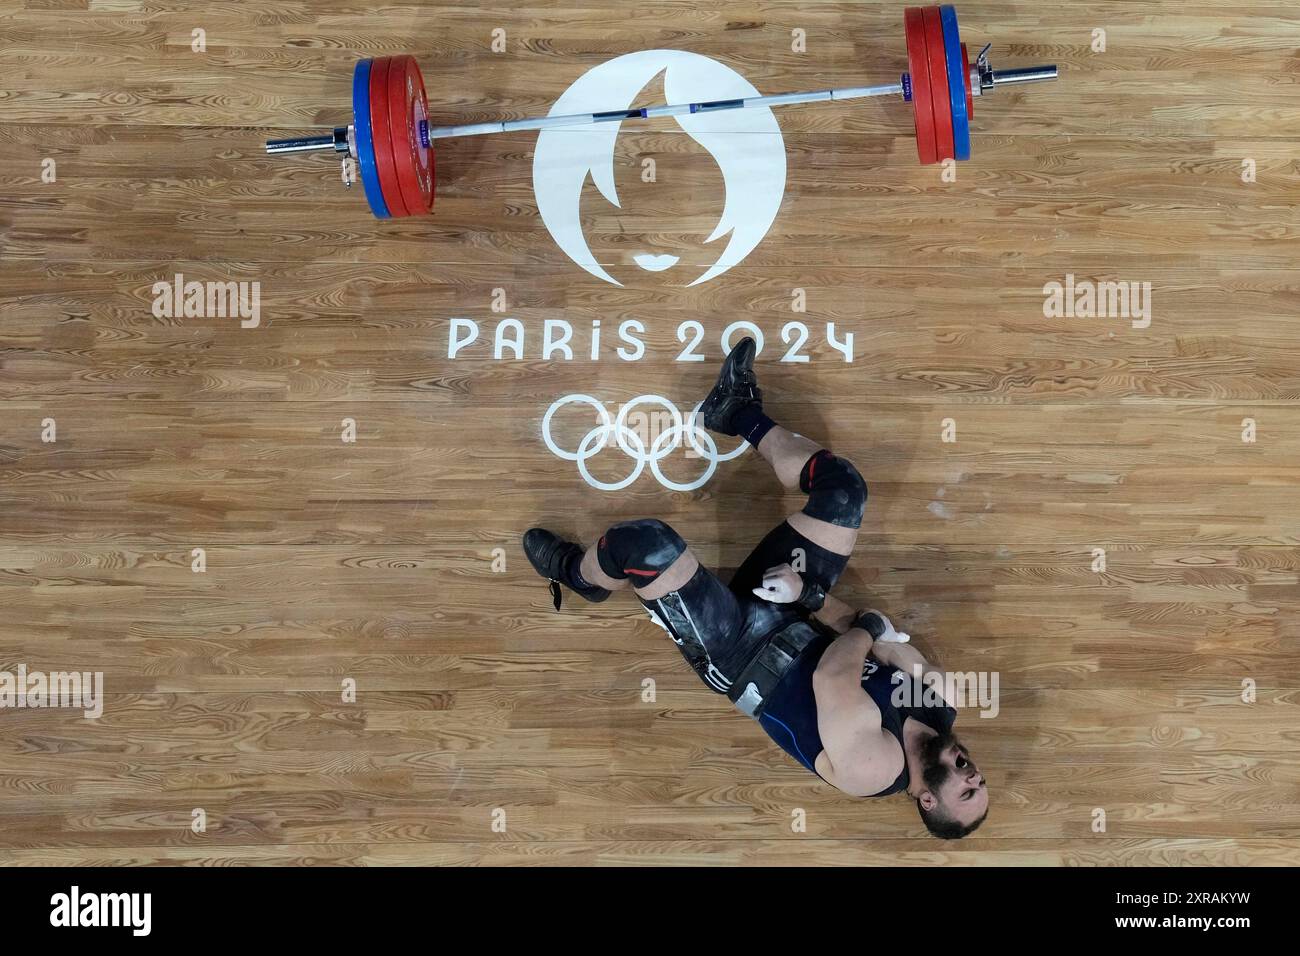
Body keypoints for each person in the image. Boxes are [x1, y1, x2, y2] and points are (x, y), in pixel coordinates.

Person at [523, 339, 987, 838]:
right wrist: (808, 596)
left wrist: (867, 625)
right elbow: (866, 633)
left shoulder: (874, 769)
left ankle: (579, 576)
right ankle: (736, 411)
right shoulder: (939, 702)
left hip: (738, 651)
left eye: (966, 791)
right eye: (981, 782)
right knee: (844, 491)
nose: (975, 776)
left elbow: (840, 669)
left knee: (645, 544)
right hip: (788, 607)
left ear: (926, 797)